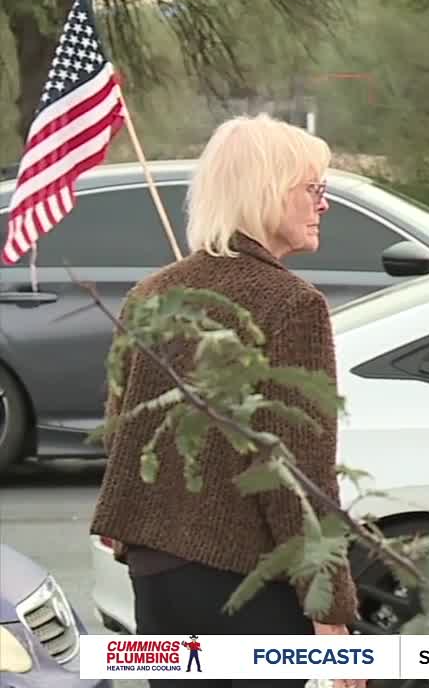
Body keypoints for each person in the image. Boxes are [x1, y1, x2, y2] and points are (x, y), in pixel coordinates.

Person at [89, 114, 364, 688]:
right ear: (268, 191)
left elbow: (122, 434)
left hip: (156, 574)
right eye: (313, 187)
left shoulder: (151, 292)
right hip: (247, 584)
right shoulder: (291, 303)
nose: (324, 204)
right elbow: (294, 471)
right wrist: (329, 606)